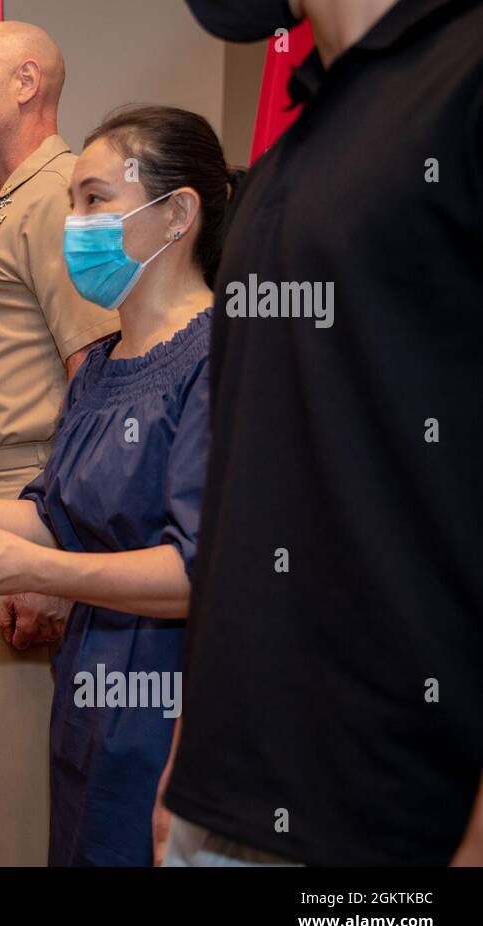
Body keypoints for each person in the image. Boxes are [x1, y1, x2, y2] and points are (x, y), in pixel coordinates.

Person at [0, 104, 234, 866]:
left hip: (171, 708)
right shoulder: (100, 364)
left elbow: (199, 572)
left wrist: (40, 573)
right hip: (85, 699)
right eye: (71, 203)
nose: (75, 223)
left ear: (178, 215)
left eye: (96, 199)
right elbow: (51, 515)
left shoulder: (221, 357)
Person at [159, 0, 483, 867]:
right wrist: (194, 749)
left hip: (395, 826)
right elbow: (255, 476)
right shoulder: (287, 156)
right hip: (224, 804)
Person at [0, 20, 119, 866]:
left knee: (22, 801)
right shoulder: (5, 205)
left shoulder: (64, 199)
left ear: (27, 83)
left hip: (18, 523)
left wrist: (53, 564)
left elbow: (100, 381)